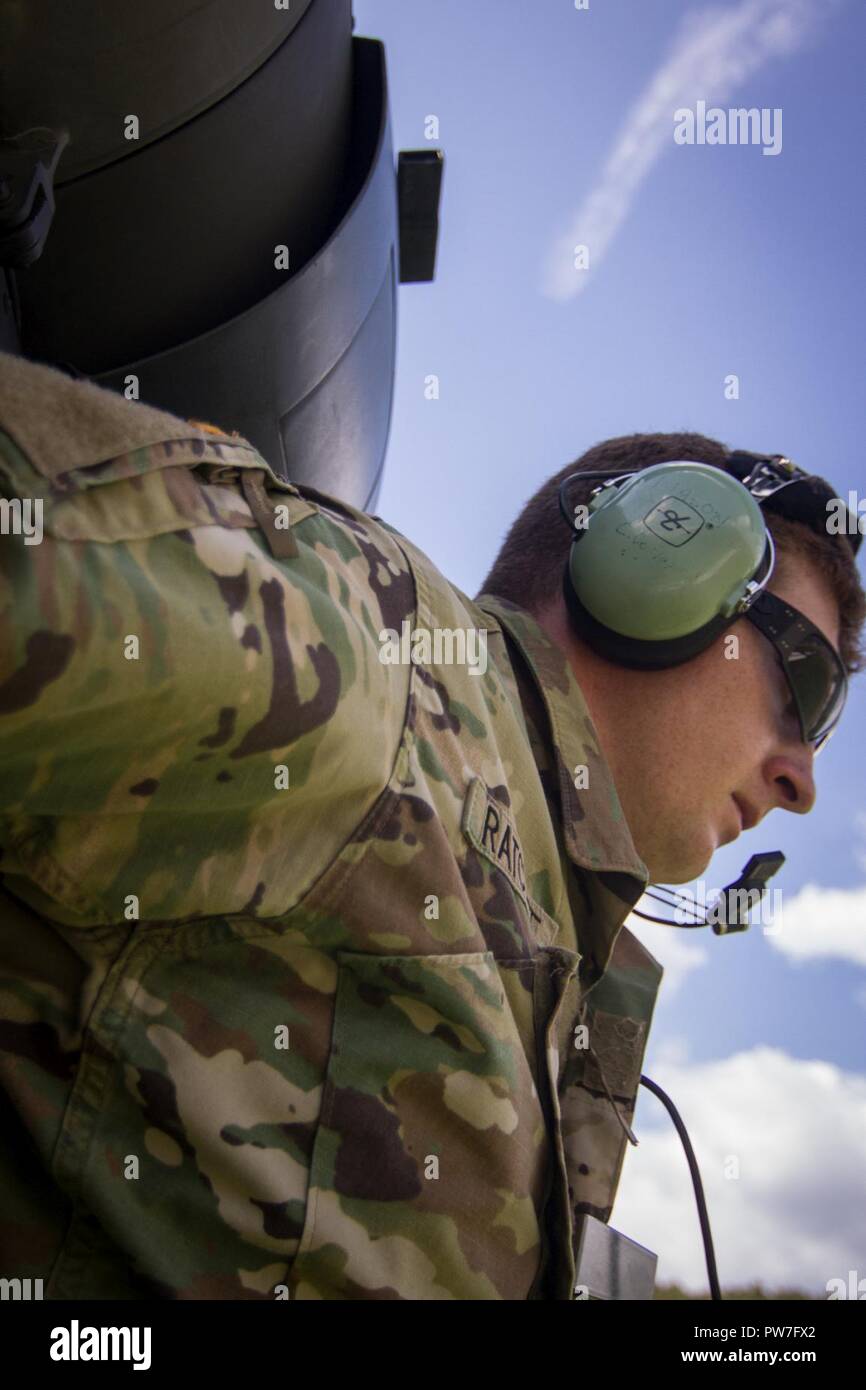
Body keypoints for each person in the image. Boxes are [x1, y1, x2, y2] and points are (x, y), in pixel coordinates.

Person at [0, 351, 862, 1300]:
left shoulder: (552, 939)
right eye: (805, 685)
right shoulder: (384, 656)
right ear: (656, 559)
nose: (802, 781)